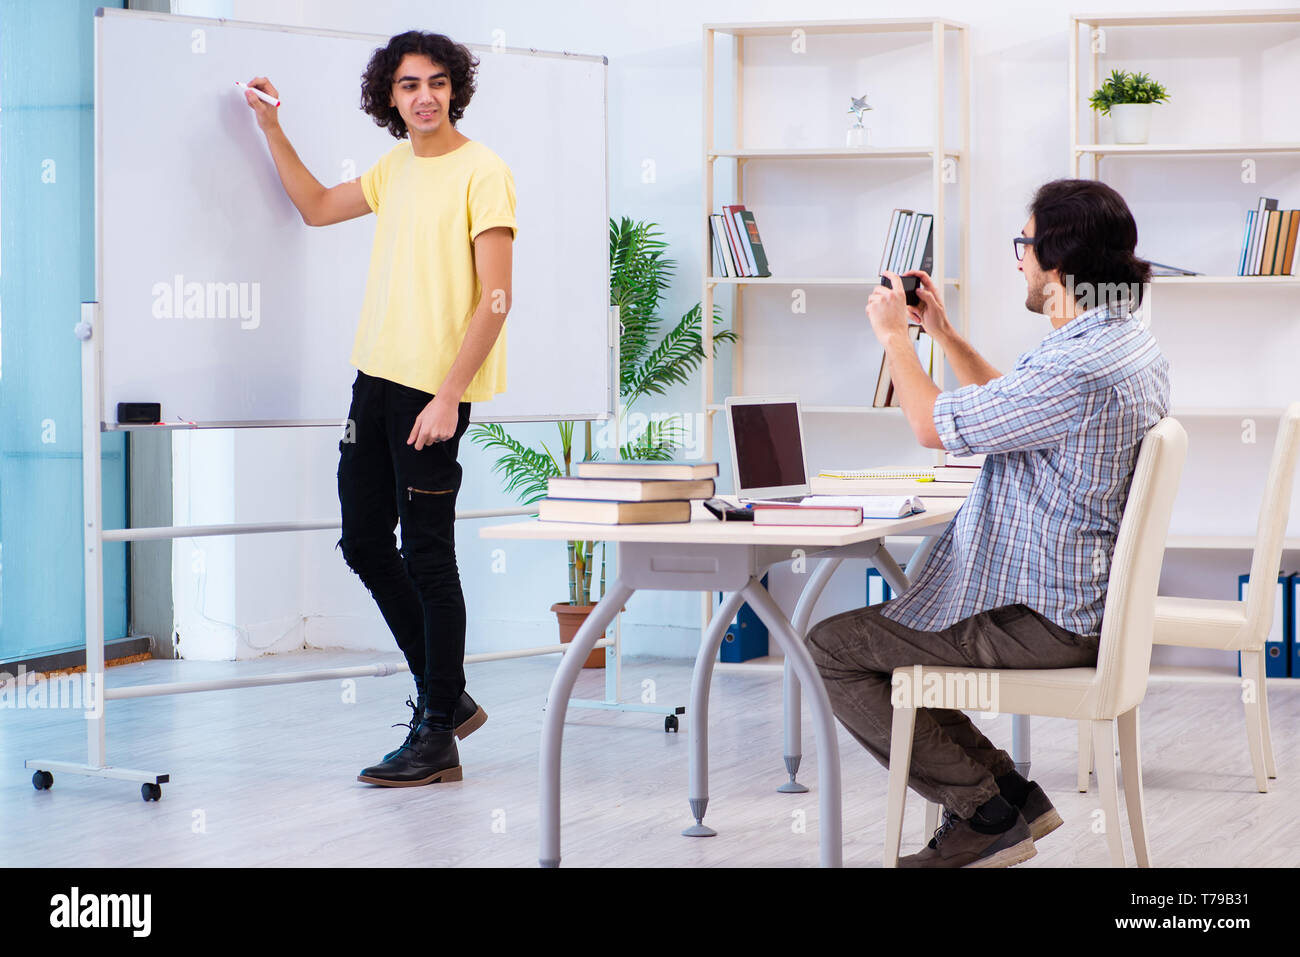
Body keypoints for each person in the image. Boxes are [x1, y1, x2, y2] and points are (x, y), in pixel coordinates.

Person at [806, 178, 1170, 866]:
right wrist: (940, 332)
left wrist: (895, 339)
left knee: (834, 647)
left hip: (1046, 619)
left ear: (1057, 264)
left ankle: (984, 808)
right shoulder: (1119, 344)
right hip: (1081, 605)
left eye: (1024, 245)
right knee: (885, 644)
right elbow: (1012, 404)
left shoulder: (1075, 365)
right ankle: (1008, 794)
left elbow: (927, 424)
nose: (1018, 261)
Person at [243, 30, 516, 787]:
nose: (423, 95)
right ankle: (447, 692)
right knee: (363, 537)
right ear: (389, 97)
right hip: (375, 382)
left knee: (429, 552)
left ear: (455, 88)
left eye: (435, 82)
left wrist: (451, 394)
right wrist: (272, 127)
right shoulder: (394, 170)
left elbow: (496, 297)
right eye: (407, 85)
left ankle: (435, 734)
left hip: (436, 390)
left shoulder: (483, 171)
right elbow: (316, 206)